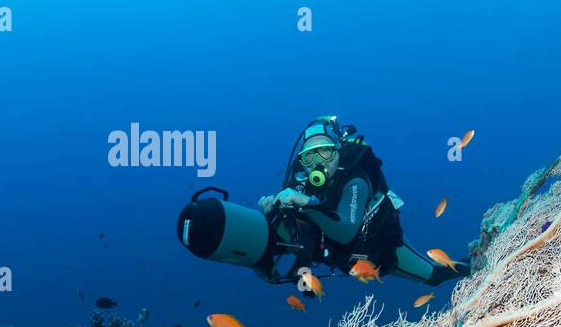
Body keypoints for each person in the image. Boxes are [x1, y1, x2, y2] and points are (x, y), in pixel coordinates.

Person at [177, 116, 469, 293]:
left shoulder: (355, 180)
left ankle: (474, 266)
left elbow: (344, 231)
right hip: (348, 260)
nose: (318, 164)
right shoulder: (301, 184)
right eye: (309, 158)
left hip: (380, 247)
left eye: (326, 154)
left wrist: (303, 204)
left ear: (339, 153)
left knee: (432, 276)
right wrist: (272, 219)